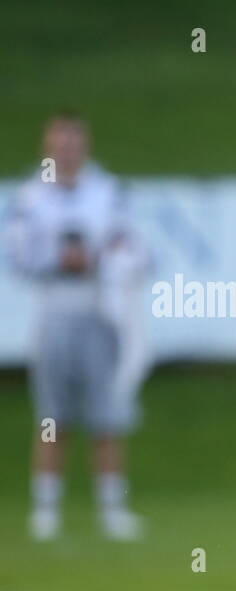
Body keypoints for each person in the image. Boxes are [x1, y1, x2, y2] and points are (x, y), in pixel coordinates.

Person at [2, 111, 149, 541]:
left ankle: (112, 507)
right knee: (52, 416)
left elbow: (136, 249)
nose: (67, 151)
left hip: (99, 309)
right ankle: (46, 507)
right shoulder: (30, 197)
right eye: (59, 143)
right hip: (55, 311)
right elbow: (16, 255)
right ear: (48, 146)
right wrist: (56, 260)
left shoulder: (107, 192)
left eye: (73, 142)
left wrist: (102, 260)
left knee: (107, 414)